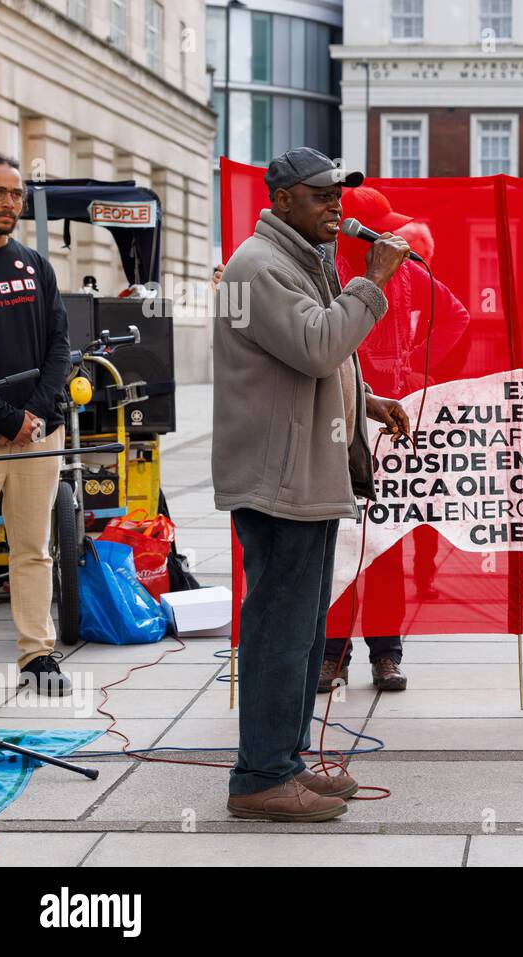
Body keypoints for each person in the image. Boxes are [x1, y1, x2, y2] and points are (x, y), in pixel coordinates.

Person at [213, 148, 411, 823]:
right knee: (278, 630)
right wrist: (374, 282)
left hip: (304, 468)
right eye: (324, 195)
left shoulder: (299, 260)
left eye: (340, 195)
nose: (338, 206)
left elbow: (318, 360)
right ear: (285, 198)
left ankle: (285, 761)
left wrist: (368, 399)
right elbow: (319, 345)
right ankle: (261, 775)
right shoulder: (259, 266)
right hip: (279, 477)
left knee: (299, 629)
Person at [321, 185, 472, 693]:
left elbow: (457, 317)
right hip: (341, 412)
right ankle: (332, 654)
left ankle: (384, 653)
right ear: (354, 233)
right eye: (379, 225)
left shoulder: (407, 272)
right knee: (340, 540)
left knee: (384, 543)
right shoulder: (324, 274)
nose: (391, 233)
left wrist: (422, 366)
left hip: (393, 418)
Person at [0, 153, 72, 696]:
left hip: (38, 433)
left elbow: (59, 347)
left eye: (16, 195)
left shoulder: (34, 265)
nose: (8, 203)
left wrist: (35, 415)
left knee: (33, 547)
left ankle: (37, 654)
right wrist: (3, 418)